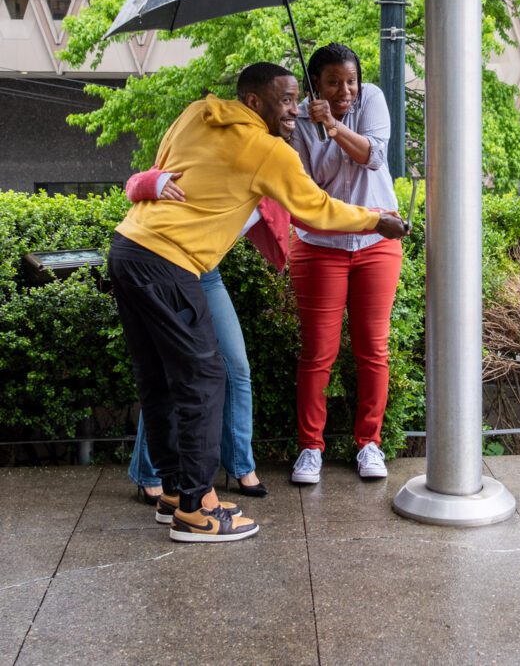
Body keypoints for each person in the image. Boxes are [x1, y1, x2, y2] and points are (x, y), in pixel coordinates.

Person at [107, 61, 407, 544]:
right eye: (285, 101)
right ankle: (198, 508)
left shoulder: (196, 113)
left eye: (295, 99)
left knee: (158, 379)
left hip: (127, 250)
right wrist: (377, 220)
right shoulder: (268, 151)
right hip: (170, 263)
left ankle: (171, 496)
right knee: (204, 379)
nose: (295, 111)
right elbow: (318, 211)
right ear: (254, 102)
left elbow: (163, 169)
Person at [287, 43, 404, 486]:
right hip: (320, 245)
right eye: (333, 82)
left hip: (378, 240)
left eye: (349, 80)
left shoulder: (371, 99)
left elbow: (372, 155)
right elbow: (307, 191)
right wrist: (314, 126)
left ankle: (368, 443)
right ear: (315, 82)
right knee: (319, 352)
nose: (345, 89)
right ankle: (309, 449)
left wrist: (333, 126)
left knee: (373, 348)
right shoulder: (297, 121)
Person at [124, 169, 267, 505]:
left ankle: (241, 465)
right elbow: (133, 184)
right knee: (168, 374)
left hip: (205, 272)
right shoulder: (212, 149)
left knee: (237, 367)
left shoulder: (275, 167)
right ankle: (150, 474)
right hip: (166, 265)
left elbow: (314, 202)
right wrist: (156, 184)